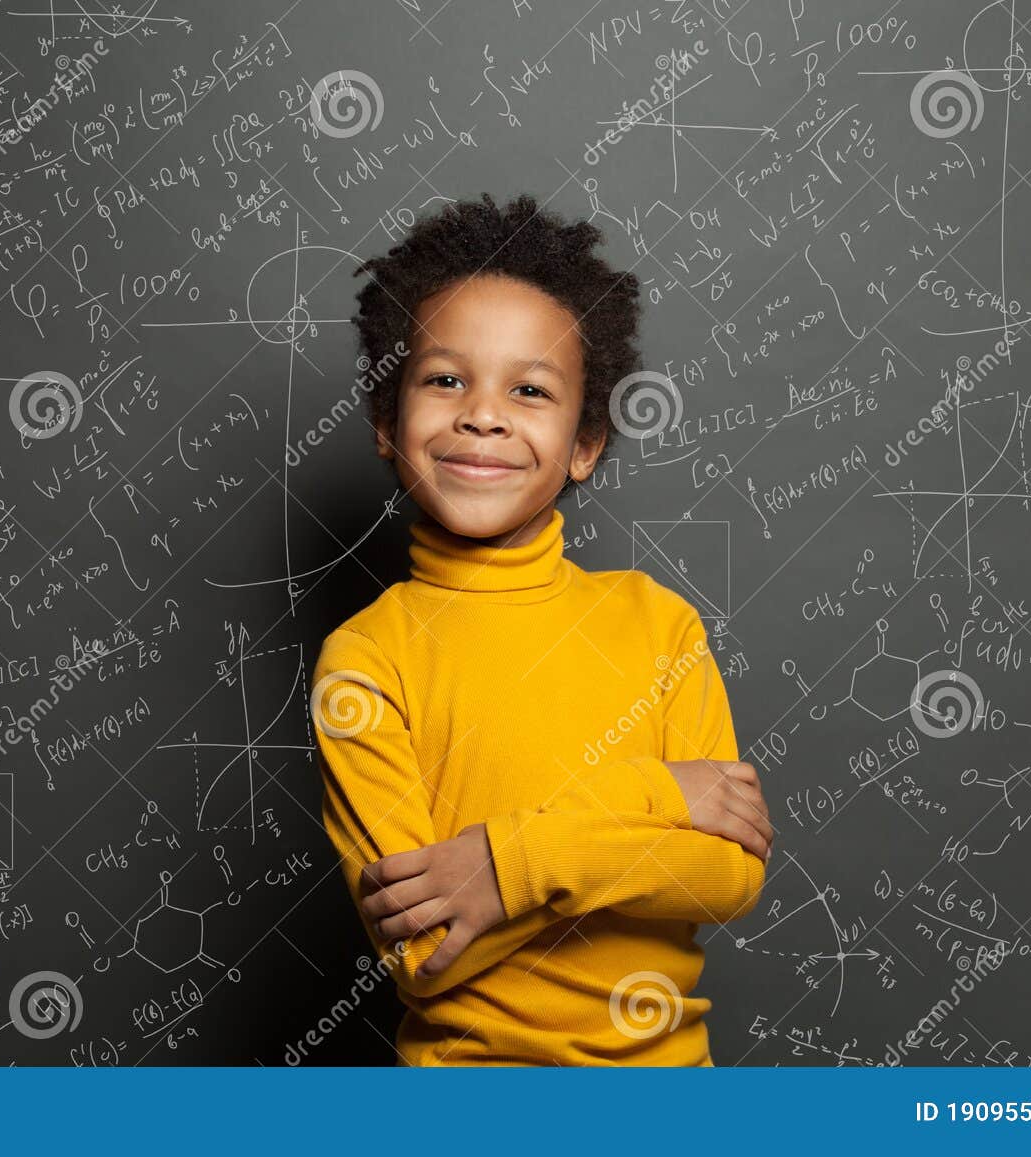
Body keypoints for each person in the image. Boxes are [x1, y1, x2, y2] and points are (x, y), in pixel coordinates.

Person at [310, 192, 774, 1066]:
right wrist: (659, 798)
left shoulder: (657, 625)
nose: (483, 414)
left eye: (530, 389)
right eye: (445, 378)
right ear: (385, 422)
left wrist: (509, 863)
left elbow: (729, 875)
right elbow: (422, 951)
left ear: (585, 442)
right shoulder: (366, 662)